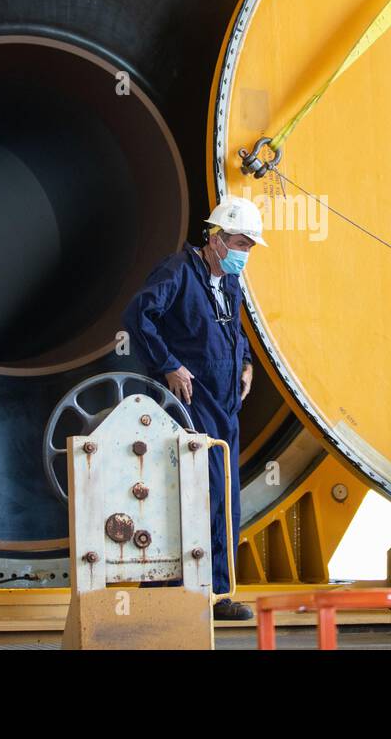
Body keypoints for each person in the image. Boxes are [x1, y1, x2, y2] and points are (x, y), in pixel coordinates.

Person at [122, 196, 266, 621]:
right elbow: (139, 315)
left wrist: (246, 364)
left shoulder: (230, 284)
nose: (244, 253)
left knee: (225, 497)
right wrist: (169, 365)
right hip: (190, 402)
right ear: (217, 238)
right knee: (188, 494)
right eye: (240, 243)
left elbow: (234, 329)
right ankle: (169, 593)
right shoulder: (178, 272)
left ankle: (218, 593)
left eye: (250, 246)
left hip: (225, 404)